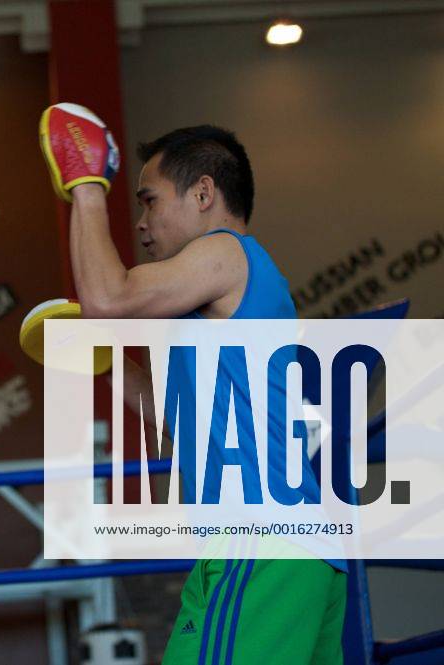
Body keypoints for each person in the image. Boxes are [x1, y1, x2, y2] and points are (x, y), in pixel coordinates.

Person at [37, 104, 346, 664]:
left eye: (148, 200)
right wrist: (99, 358)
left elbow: (106, 300)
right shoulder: (210, 306)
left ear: (203, 194)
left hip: (261, 542)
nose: (140, 222)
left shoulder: (226, 254)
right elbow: (171, 413)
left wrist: (85, 186)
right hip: (291, 551)